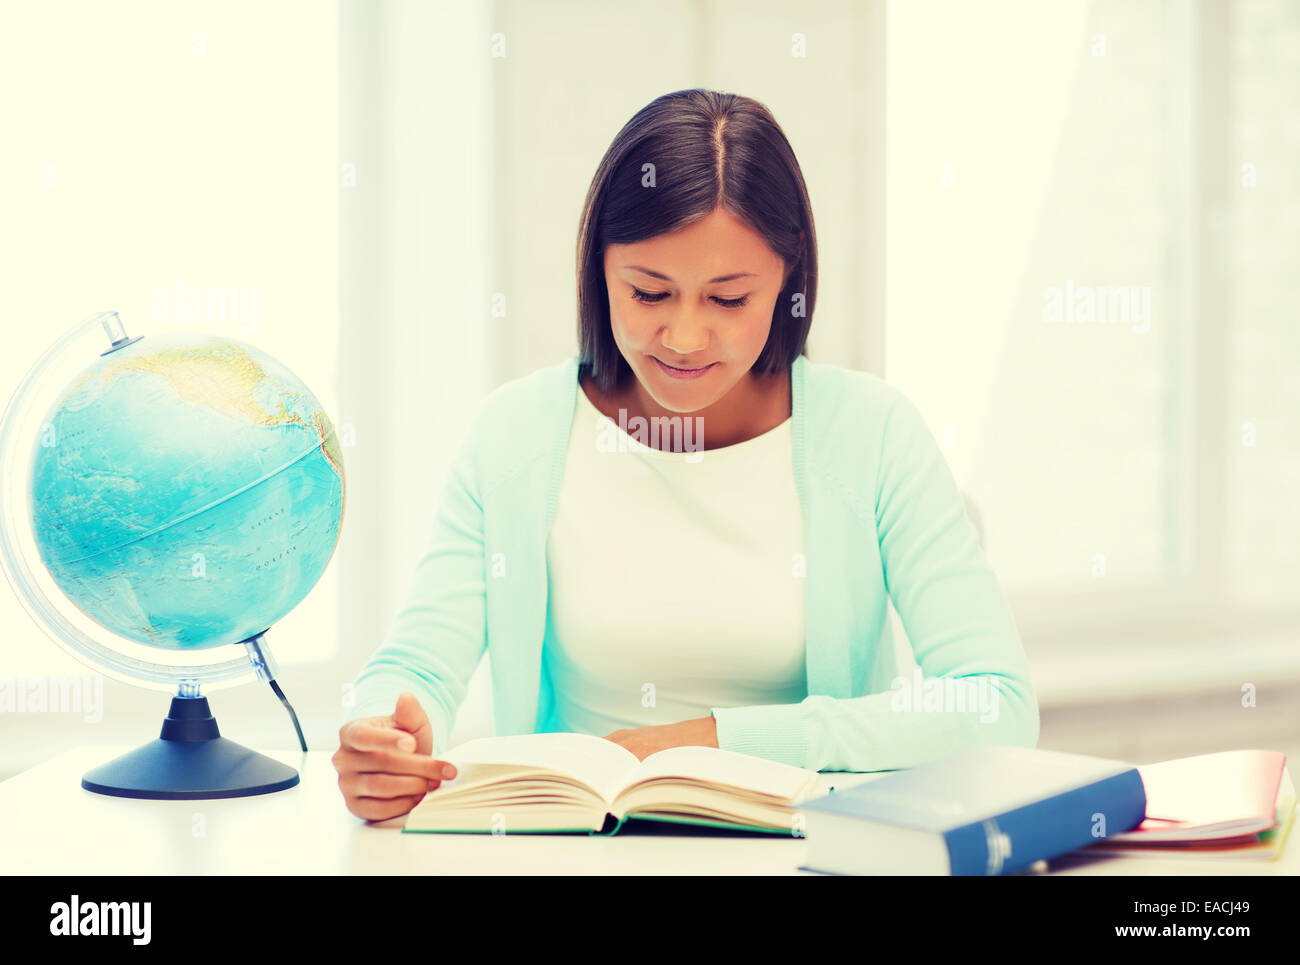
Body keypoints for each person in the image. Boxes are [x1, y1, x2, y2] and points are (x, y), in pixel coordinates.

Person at [333, 88, 1038, 822]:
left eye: (728, 299)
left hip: (809, 855)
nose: (685, 337)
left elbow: (995, 701)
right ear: (599, 269)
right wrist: (383, 731)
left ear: (788, 278)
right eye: (648, 293)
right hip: (567, 850)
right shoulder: (514, 436)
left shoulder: (873, 435)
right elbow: (416, 664)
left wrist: (710, 742)